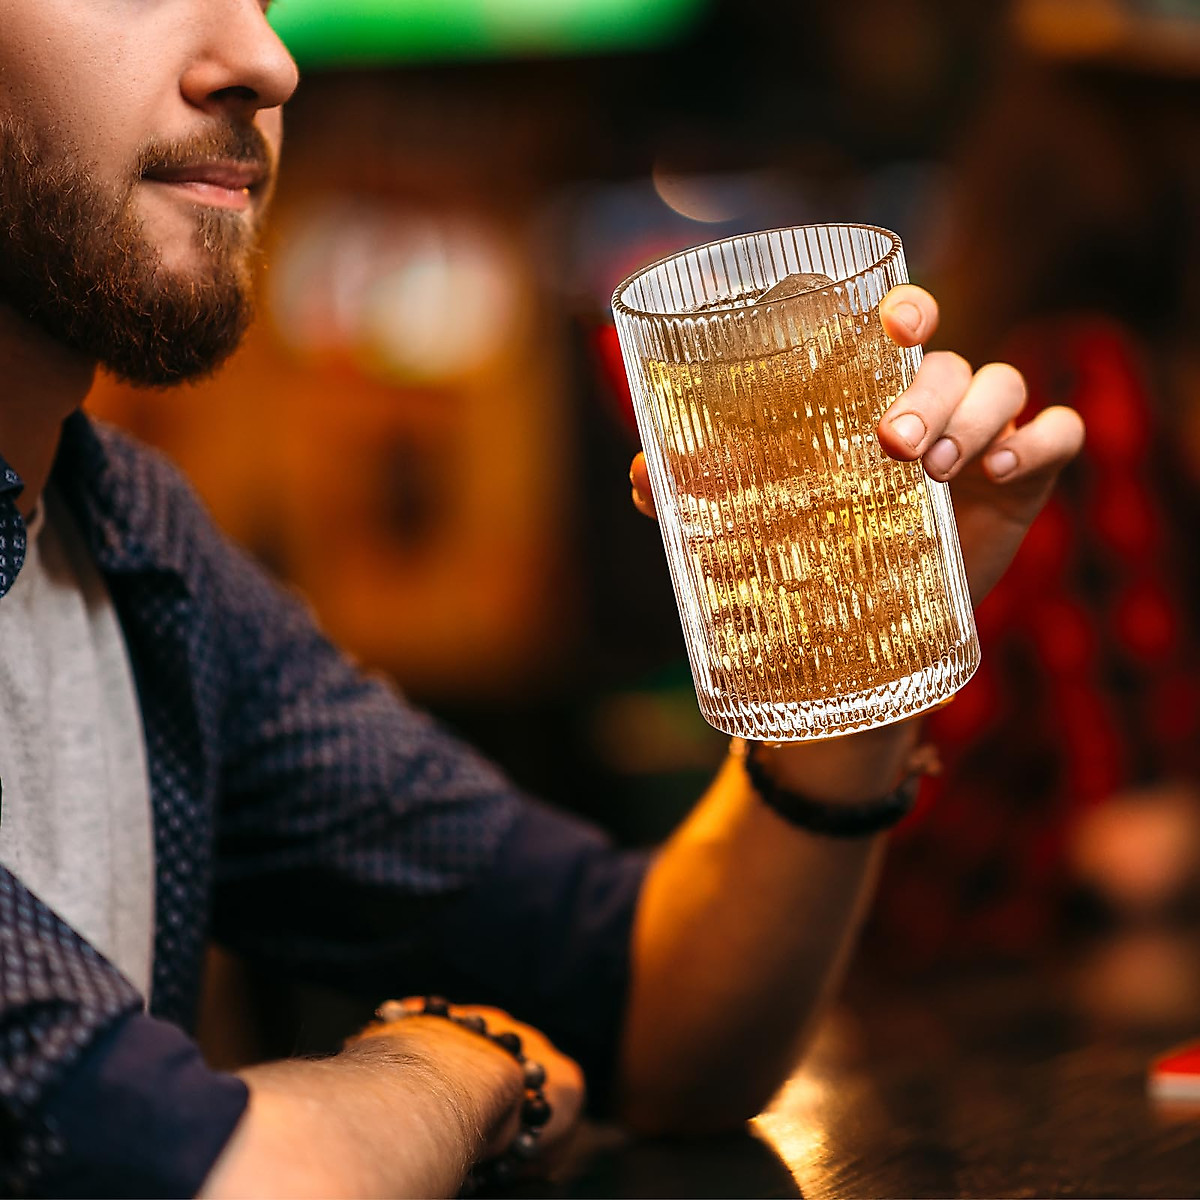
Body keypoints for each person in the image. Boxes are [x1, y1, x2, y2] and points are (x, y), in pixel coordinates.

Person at [0, 2, 1084, 1196]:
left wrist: (857, 654)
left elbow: (654, 1013)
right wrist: (454, 1064)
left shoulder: (128, 538)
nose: (267, 61)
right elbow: (207, 1176)